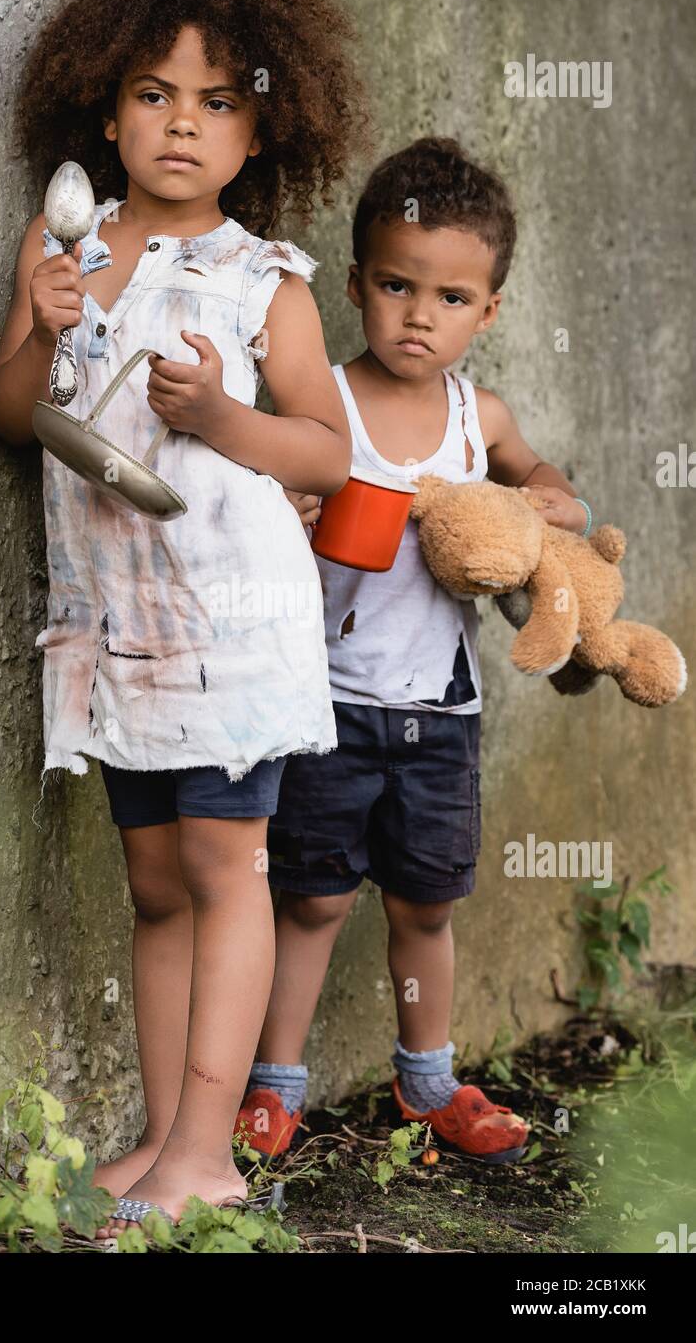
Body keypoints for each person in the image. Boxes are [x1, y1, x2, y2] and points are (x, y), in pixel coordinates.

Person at [0, 0, 368, 1234]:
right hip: (115, 627)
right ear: (107, 115)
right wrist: (43, 325)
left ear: (260, 128)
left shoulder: (270, 277)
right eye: (154, 95)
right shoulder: (62, 246)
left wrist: (219, 413)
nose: (182, 121)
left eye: (215, 101)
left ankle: (209, 1150)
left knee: (225, 863)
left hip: (232, 627)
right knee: (155, 880)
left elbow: (326, 450)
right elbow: (11, 416)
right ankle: (163, 1140)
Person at [236, 137, 593, 1165]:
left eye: (449, 297)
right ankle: (275, 1086)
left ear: (489, 311)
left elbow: (544, 478)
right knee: (308, 897)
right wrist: (292, 510)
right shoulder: (324, 406)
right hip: (328, 703)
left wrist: (547, 502)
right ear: (354, 284)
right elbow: (266, 496)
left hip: (442, 715)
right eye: (395, 285)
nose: (417, 315)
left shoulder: (480, 419)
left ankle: (427, 1079)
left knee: (424, 905)